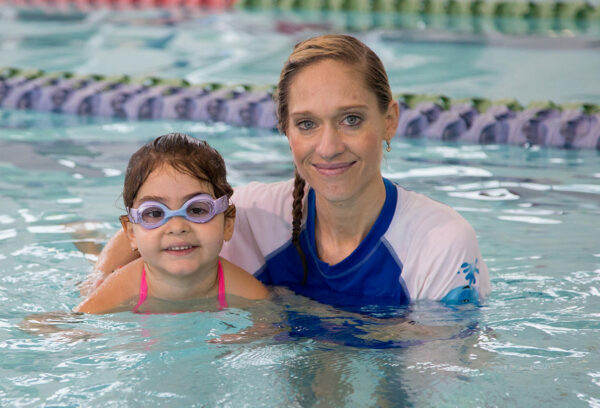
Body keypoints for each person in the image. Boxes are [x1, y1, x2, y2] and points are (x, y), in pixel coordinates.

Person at [88, 34, 491, 308]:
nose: (329, 147)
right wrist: (98, 279)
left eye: (351, 119)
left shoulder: (439, 245)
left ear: (389, 120)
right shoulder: (255, 215)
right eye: (307, 123)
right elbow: (152, 225)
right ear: (285, 131)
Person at [75, 132, 268, 314]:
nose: (177, 227)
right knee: (93, 277)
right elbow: (72, 329)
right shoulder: (122, 287)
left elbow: (268, 335)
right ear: (131, 233)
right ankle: (86, 239)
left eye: (197, 209)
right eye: (155, 212)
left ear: (227, 223)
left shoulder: (247, 292)